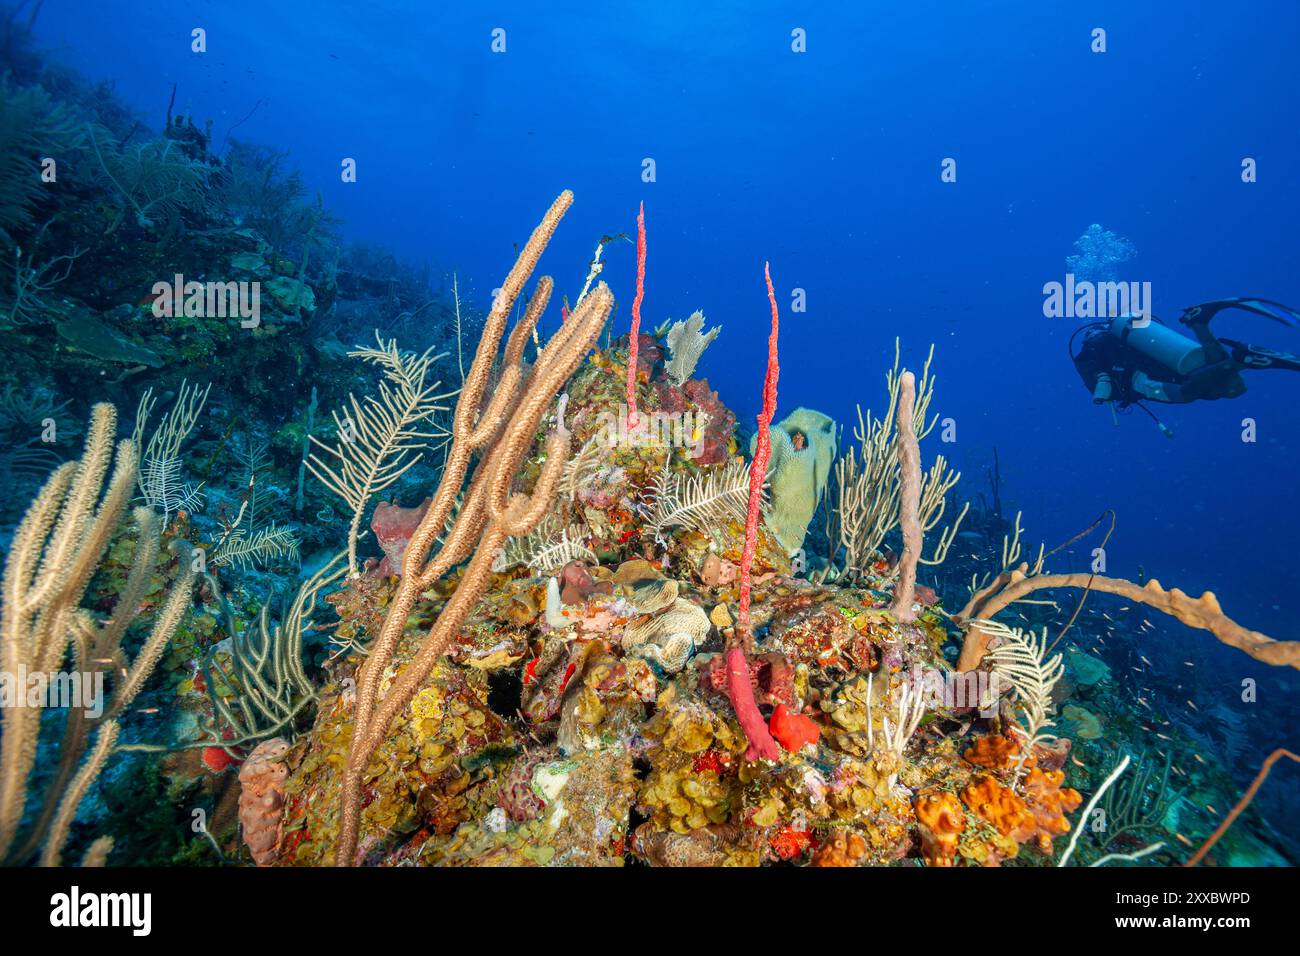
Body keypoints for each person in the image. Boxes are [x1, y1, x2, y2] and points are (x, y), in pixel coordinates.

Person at [1070, 297, 1300, 434]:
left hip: (1138, 381)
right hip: (1157, 358)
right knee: (1232, 387)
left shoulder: (1089, 354)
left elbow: (1102, 389)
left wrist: (1105, 395)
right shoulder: (1116, 340)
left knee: (1186, 393)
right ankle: (1199, 323)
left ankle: (1239, 361)